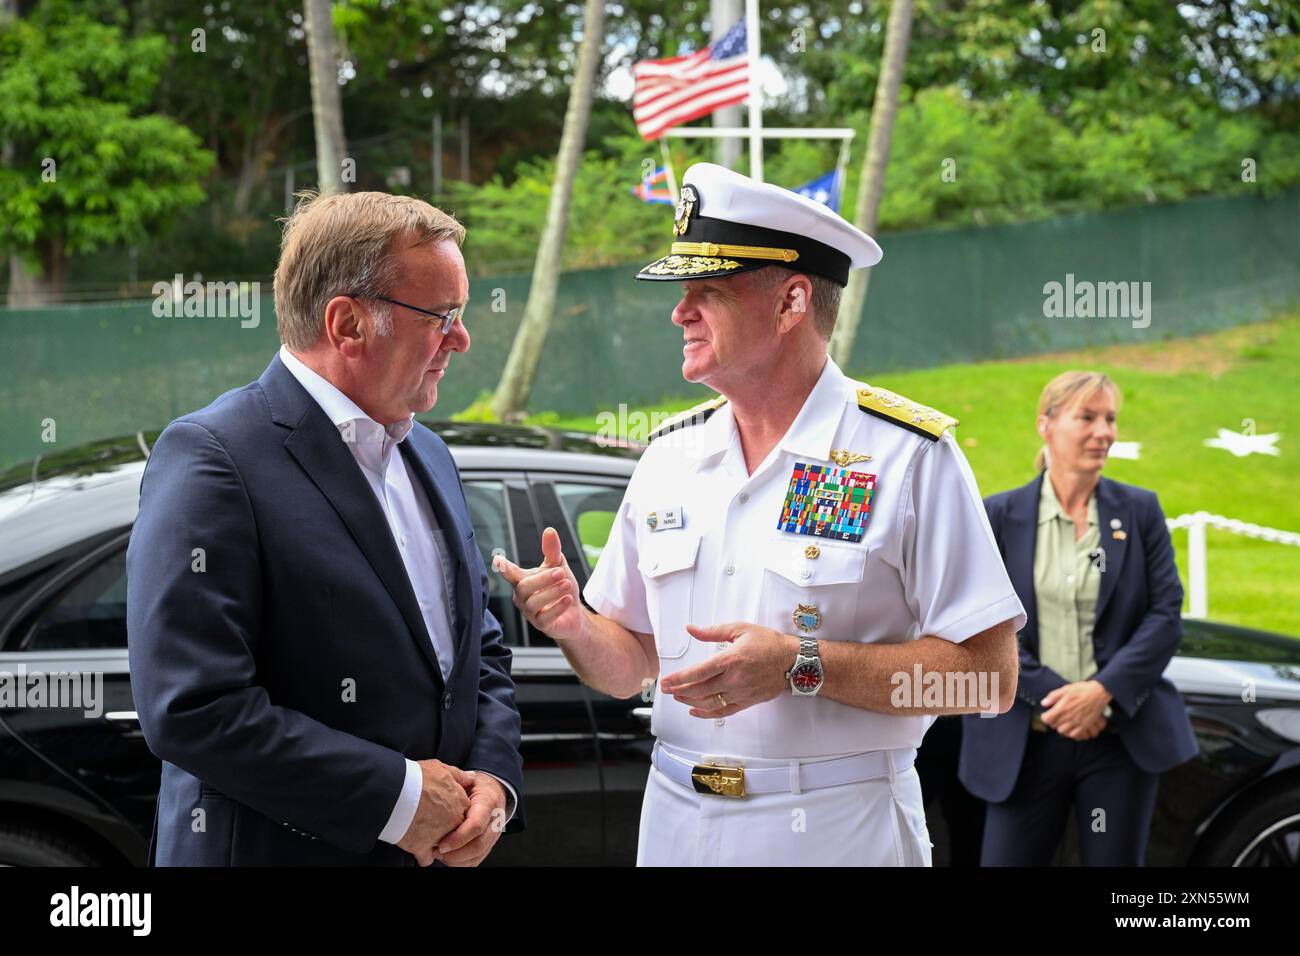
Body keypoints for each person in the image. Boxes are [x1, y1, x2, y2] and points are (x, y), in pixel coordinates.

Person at [496, 163, 1024, 866]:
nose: (680, 312)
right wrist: (572, 627)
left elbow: (986, 678)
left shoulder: (906, 455)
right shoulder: (668, 458)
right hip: (678, 825)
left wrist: (801, 666)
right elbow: (629, 667)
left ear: (791, 301)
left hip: (839, 830)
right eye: (683, 293)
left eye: (707, 291)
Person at [127, 192, 523, 866]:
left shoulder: (425, 452)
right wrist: (398, 797)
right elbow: (192, 708)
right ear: (347, 324)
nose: (461, 338)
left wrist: (493, 781)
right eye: (443, 316)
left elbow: (477, 649)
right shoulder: (214, 457)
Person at [959, 371, 1197, 866]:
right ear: (1045, 426)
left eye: (1109, 419)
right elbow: (983, 626)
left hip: (1118, 739)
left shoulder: (1139, 511)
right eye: (1087, 417)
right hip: (1025, 740)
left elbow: (1165, 615)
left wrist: (1100, 692)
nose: (1104, 432)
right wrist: (1059, 699)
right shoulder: (999, 517)